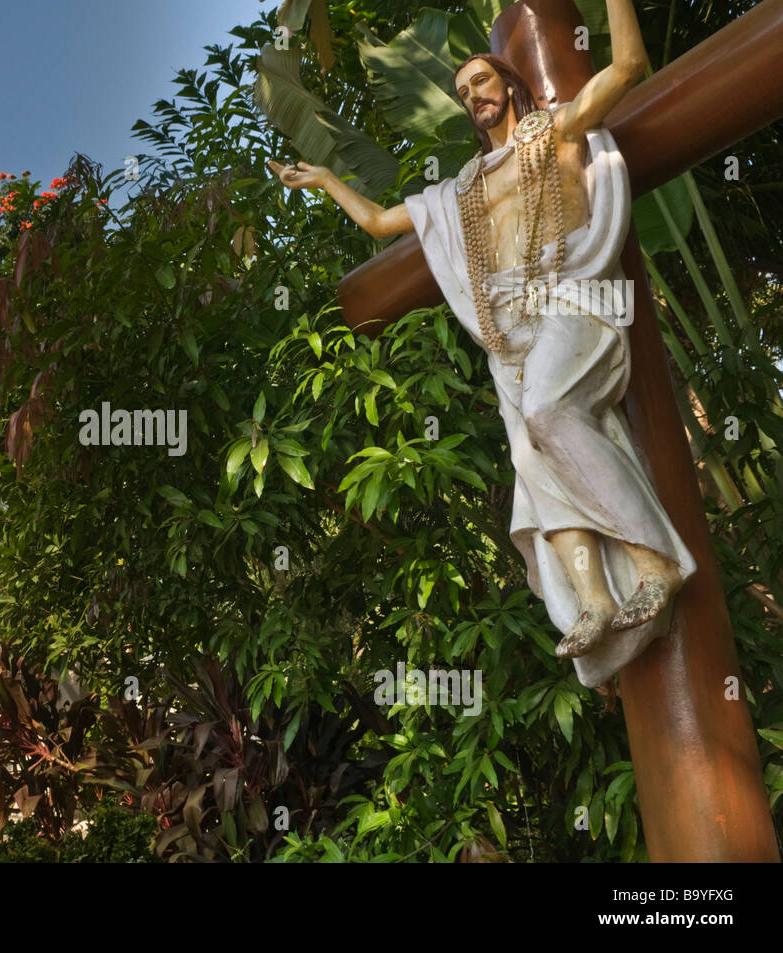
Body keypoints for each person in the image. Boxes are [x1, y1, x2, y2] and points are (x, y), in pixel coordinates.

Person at [268, 0, 695, 687]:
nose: (473, 97)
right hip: (510, 331)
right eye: (464, 92)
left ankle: (656, 562)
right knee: (534, 456)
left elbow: (628, 67)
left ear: (511, 85)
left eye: (481, 83)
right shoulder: (460, 189)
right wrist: (322, 179)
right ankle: (591, 599)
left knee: (550, 413)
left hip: (572, 297)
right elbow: (380, 221)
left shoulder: (557, 130)